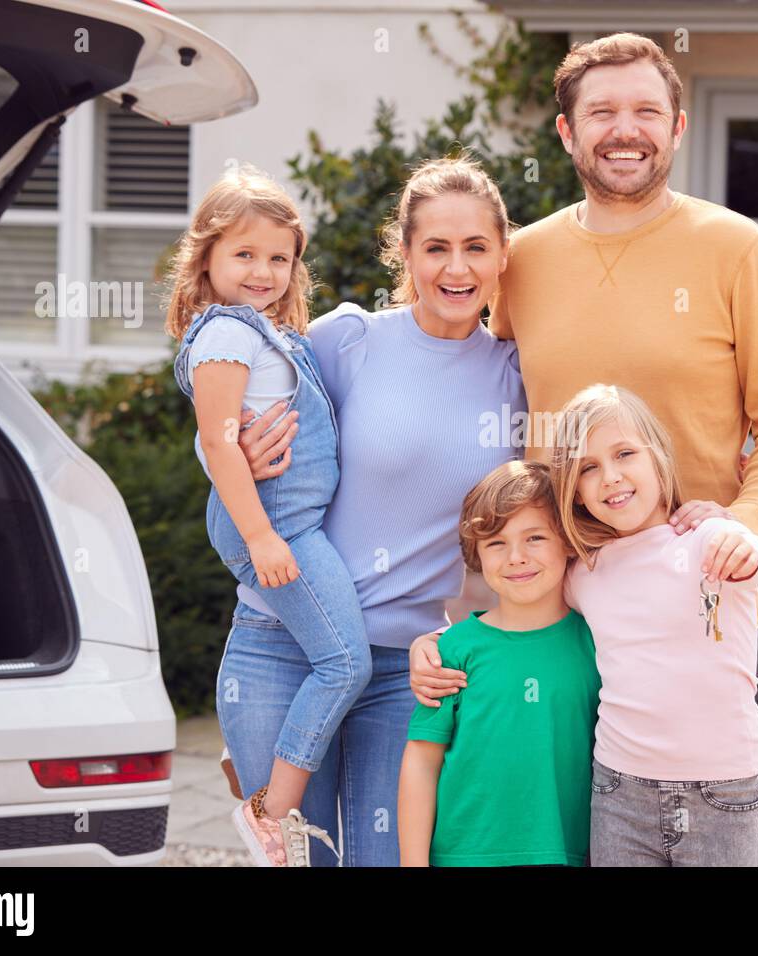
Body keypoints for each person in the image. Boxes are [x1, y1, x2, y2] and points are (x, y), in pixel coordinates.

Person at [410, 33, 758, 713]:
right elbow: (474, 392)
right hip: (551, 599)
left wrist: (747, 522)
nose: (624, 131)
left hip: (691, 594)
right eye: (601, 113)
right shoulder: (525, 259)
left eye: (646, 112)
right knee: (551, 803)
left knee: (691, 802)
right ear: (568, 133)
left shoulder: (737, 250)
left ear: (677, 127)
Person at [217, 153, 527, 865]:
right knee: (301, 857)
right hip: (280, 646)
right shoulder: (348, 340)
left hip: (404, 667)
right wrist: (242, 461)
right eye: (436, 248)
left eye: (476, 247)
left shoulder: (515, 378)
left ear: (502, 255)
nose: (457, 267)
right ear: (406, 253)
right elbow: (226, 417)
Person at [167, 165, 364, 866]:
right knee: (345, 662)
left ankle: (248, 755)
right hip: (276, 521)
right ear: (208, 258)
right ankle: (269, 812)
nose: (264, 270)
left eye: (279, 257)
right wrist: (260, 535)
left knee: (332, 657)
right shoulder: (224, 333)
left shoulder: (267, 331)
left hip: (287, 520)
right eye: (244, 254)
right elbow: (222, 443)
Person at [550, 384, 758, 865]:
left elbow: (755, 560)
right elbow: (523, 611)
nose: (610, 477)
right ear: (575, 492)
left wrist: (742, 541)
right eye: (588, 468)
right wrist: (444, 639)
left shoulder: (706, 537)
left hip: (724, 791)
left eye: (624, 453)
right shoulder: (584, 572)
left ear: (658, 458)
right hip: (618, 789)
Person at [397, 461, 599, 867]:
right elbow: (421, 761)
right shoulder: (452, 651)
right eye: (496, 543)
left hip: (563, 853)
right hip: (460, 856)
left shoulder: (596, 644)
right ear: (476, 554)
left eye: (535, 537)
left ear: (567, 542)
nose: (516, 557)